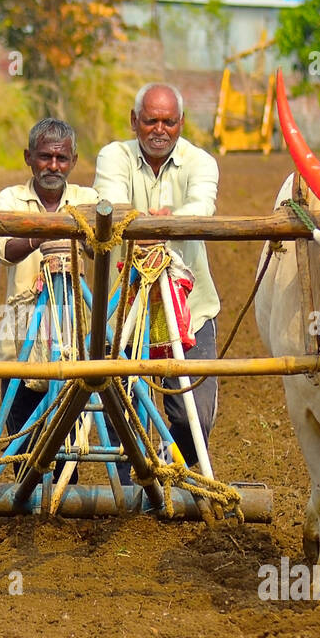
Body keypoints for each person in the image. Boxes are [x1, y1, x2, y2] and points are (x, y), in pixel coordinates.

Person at [93, 83, 220, 468]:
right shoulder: (113, 156)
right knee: (122, 410)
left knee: (194, 417)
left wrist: (161, 222)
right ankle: (132, 492)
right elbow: (111, 207)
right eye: (151, 121)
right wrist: (162, 222)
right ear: (135, 122)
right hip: (125, 309)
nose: (159, 130)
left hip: (189, 308)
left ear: (181, 123)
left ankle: (169, 462)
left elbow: (202, 208)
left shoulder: (201, 162)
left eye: (168, 121)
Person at [0, 119, 100, 439]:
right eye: (44, 157)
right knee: (22, 446)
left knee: (69, 450)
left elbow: (100, 248)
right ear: (28, 157)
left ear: (73, 162)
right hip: (20, 340)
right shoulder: (10, 199)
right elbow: (4, 251)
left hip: (73, 339)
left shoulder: (87, 199)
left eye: (62, 159)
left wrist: (73, 230)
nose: (53, 166)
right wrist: (48, 233)